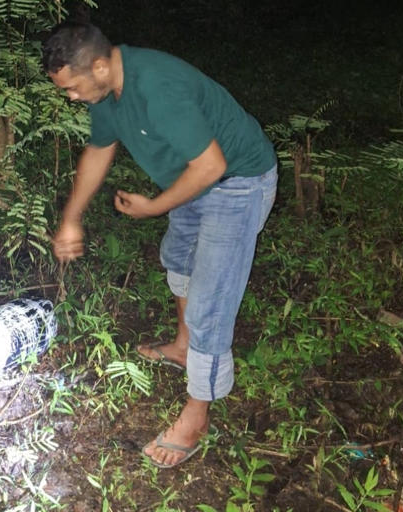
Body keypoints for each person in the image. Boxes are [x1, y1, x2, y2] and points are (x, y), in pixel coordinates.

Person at [42, 21, 278, 468]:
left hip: (237, 182)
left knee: (211, 300)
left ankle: (197, 415)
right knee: (178, 261)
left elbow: (211, 165)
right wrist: (71, 219)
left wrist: (154, 208)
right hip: (192, 180)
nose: (70, 97)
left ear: (98, 65)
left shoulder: (157, 87)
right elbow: (98, 150)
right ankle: (184, 347)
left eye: (71, 88)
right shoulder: (107, 91)